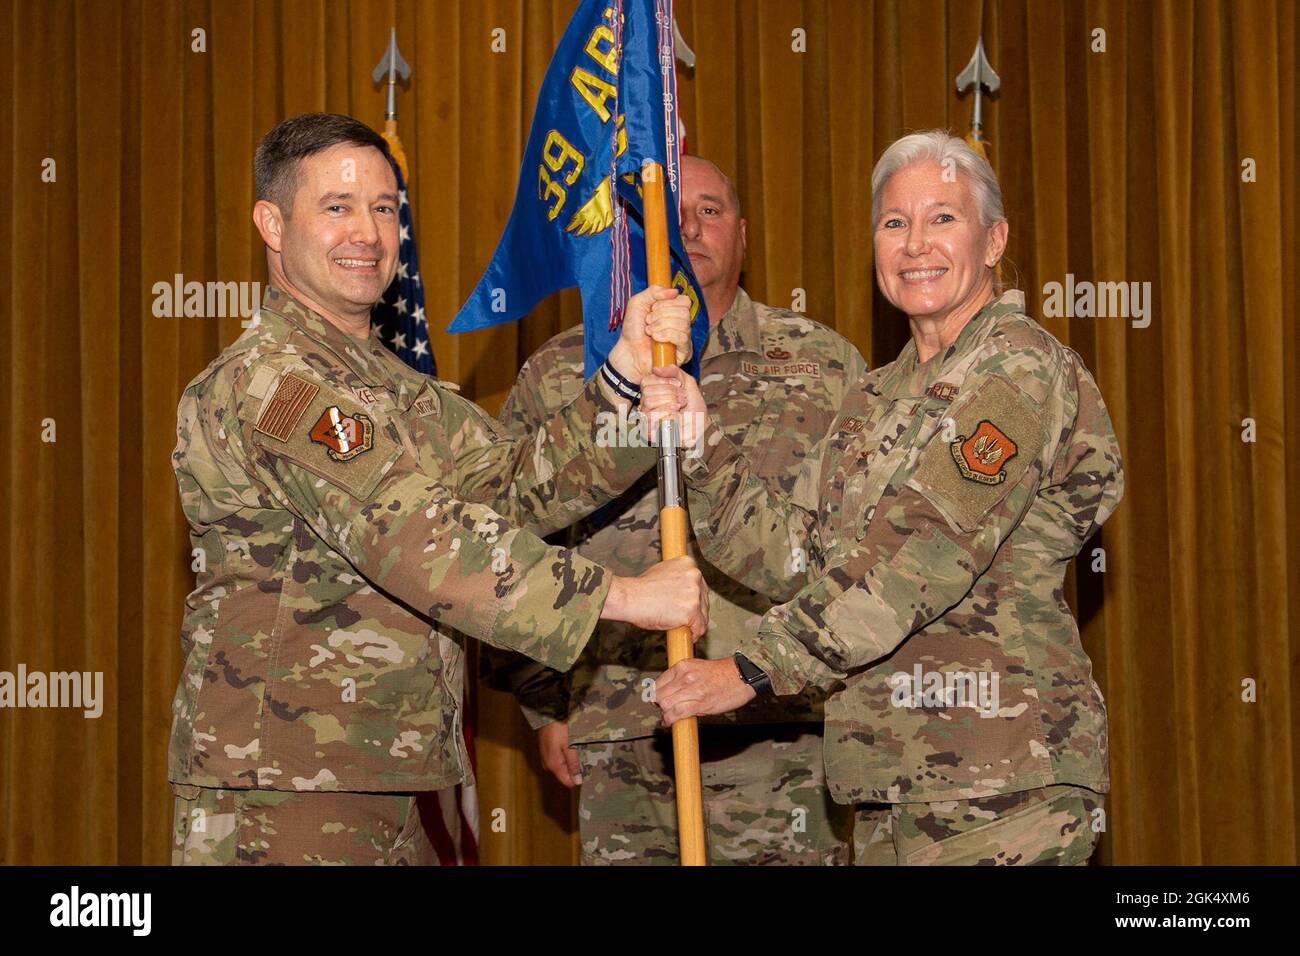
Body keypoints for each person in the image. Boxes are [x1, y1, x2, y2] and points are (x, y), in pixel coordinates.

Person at [168, 112, 708, 865]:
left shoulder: (399, 391)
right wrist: (623, 596)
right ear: (271, 221)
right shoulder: (274, 383)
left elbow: (514, 487)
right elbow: (416, 537)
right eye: (338, 208)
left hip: (402, 775)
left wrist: (622, 377)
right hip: (285, 790)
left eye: (385, 209)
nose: (368, 233)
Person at [645, 130, 1124, 865]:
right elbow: (800, 554)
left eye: (943, 219)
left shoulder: (1019, 368)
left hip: (998, 781)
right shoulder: (873, 396)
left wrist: (750, 669)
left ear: (993, 240)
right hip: (887, 786)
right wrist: (701, 448)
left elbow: (920, 557)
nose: (915, 244)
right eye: (894, 223)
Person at [489, 155, 863, 864]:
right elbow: (508, 539)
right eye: (668, 213)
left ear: (744, 236)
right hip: (619, 721)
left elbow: (861, 548)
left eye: (711, 211)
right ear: (630, 235)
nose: (688, 227)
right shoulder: (565, 373)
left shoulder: (825, 365)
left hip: (779, 724)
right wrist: (546, 703)